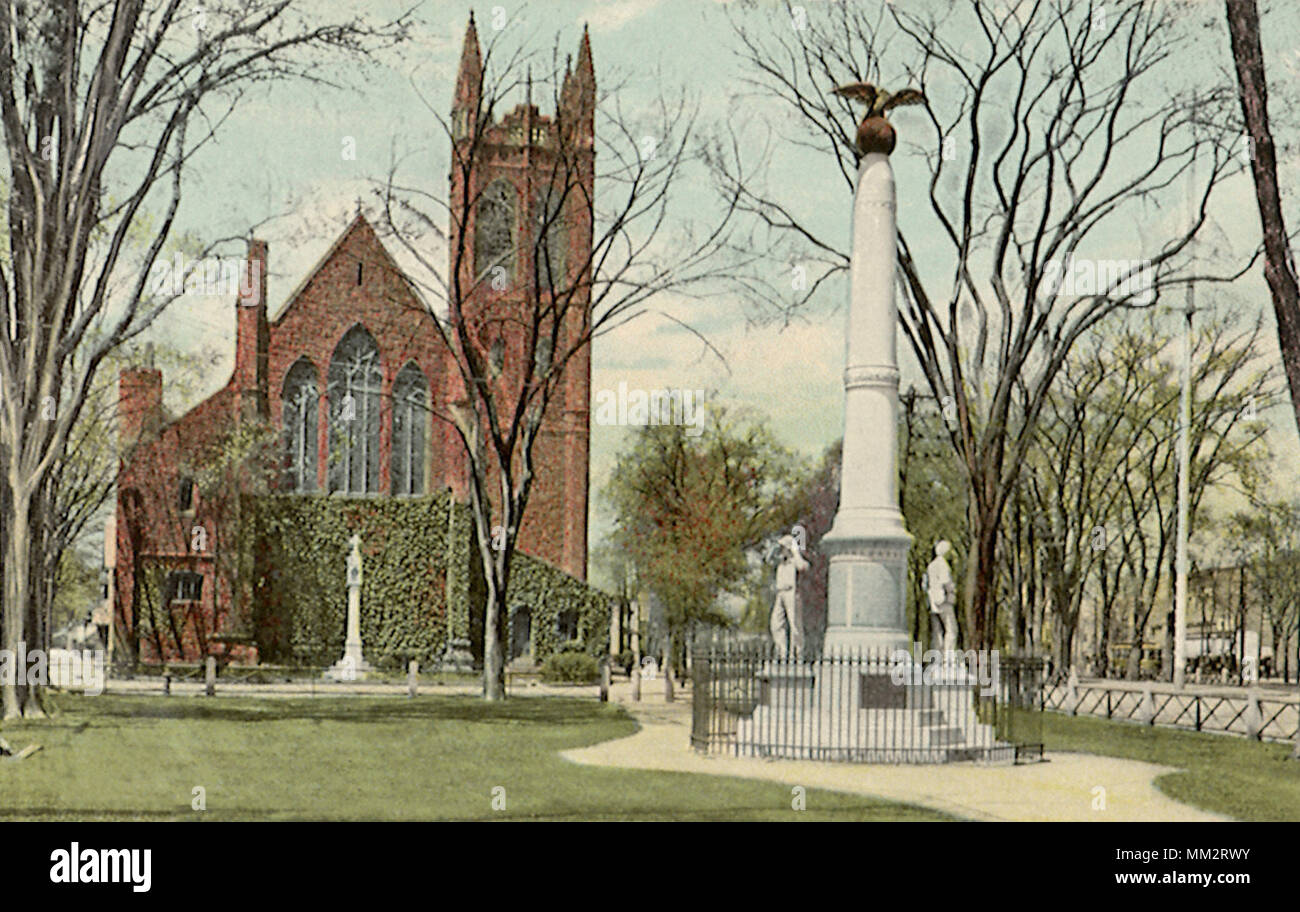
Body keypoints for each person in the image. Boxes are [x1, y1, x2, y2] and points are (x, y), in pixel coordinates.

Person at [770, 534, 809, 657]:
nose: (782, 549)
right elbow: (769, 558)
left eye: (783, 547)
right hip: (780, 593)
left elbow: (803, 566)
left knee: (795, 625)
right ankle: (782, 652)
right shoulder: (781, 561)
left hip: (792, 592)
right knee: (776, 623)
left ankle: (797, 654)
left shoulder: (795, 561)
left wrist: (795, 551)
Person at [926, 540, 958, 656]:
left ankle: (936, 655)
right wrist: (952, 589)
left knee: (937, 630)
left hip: (933, 600)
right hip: (944, 600)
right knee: (952, 629)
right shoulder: (943, 565)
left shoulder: (931, 565)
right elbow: (946, 581)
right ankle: (948, 656)